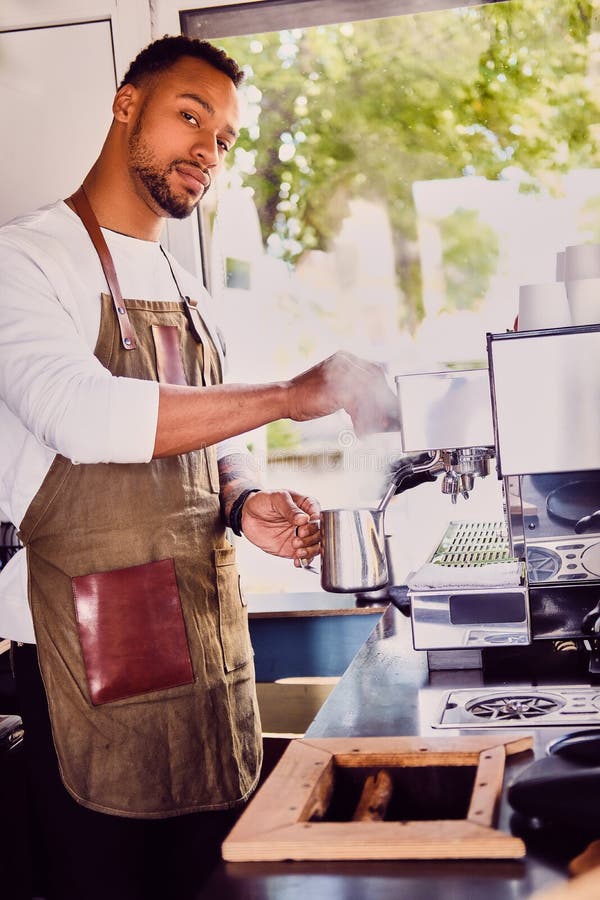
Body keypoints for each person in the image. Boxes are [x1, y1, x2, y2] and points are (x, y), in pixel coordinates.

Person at [0, 35, 398, 900]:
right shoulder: (25, 260)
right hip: (87, 675)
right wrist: (292, 393)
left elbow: (216, 443)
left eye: (224, 139)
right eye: (191, 117)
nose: (207, 152)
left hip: (210, 662)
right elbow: (84, 411)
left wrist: (245, 497)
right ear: (126, 104)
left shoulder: (188, 286)